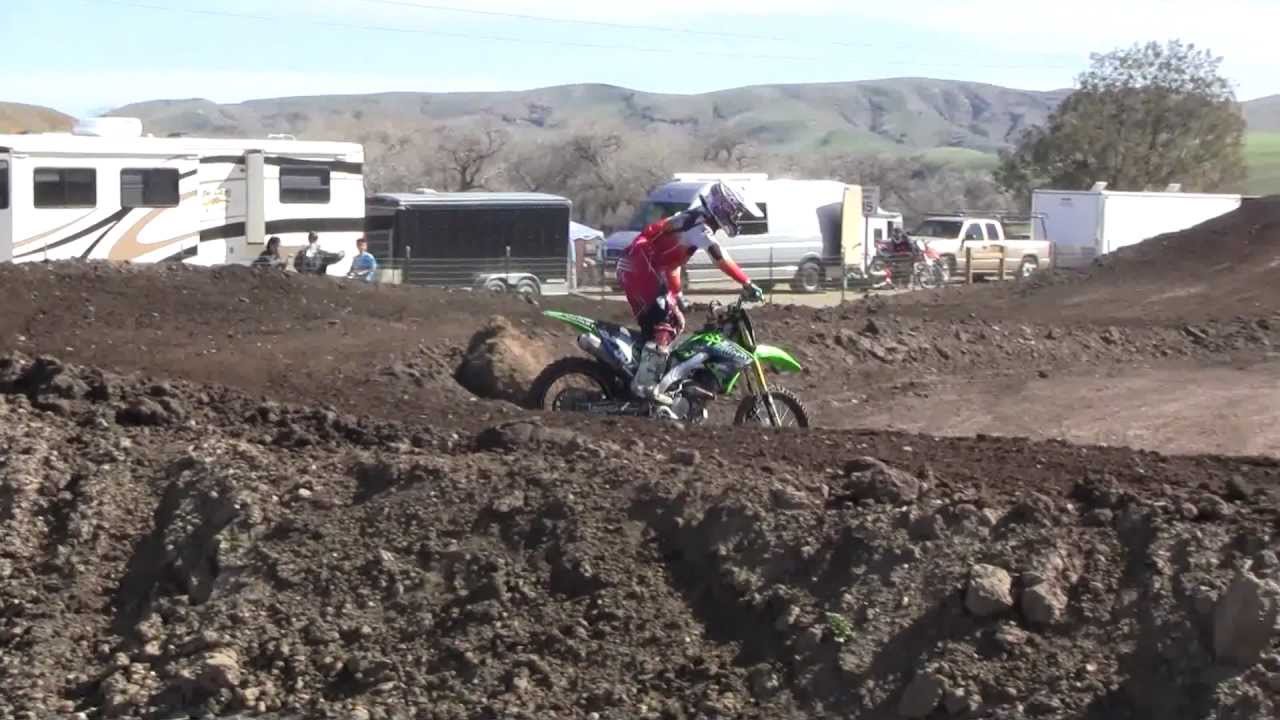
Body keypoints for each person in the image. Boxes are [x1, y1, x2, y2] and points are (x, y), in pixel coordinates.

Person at [616, 181, 764, 405]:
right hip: (640, 264)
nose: (737, 217)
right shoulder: (699, 226)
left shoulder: (693, 220)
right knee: (665, 319)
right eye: (737, 212)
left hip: (637, 264)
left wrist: (677, 294)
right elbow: (719, 257)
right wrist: (746, 282)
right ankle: (646, 386)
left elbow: (673, 263)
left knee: (668, 321)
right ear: (725, 208)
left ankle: (638, 376)